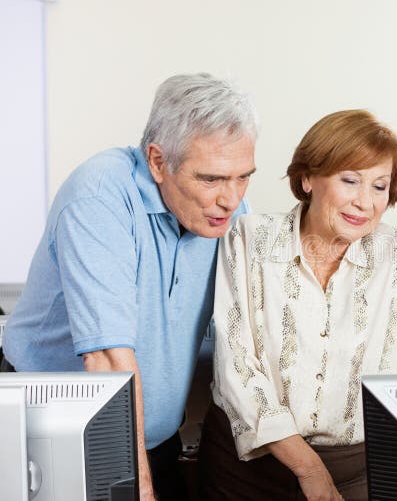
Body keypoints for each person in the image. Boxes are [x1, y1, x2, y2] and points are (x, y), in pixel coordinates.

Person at [0, 73, 258, 500]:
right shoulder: (99, 197)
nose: (231, 199)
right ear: (158, 161)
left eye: (242, 177)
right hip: (53, 432)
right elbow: (107, 359)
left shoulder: (224, 211)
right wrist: (138, 488)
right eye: (211, 179)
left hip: (151, 440)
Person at [198, 109, 397, 501]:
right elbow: (238, 369)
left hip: (363, 470)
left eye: (380, 186)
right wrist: (308, 467)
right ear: (308, 178)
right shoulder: (248, 238)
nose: (365, 202)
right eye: (350, 180)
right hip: (246, 472)